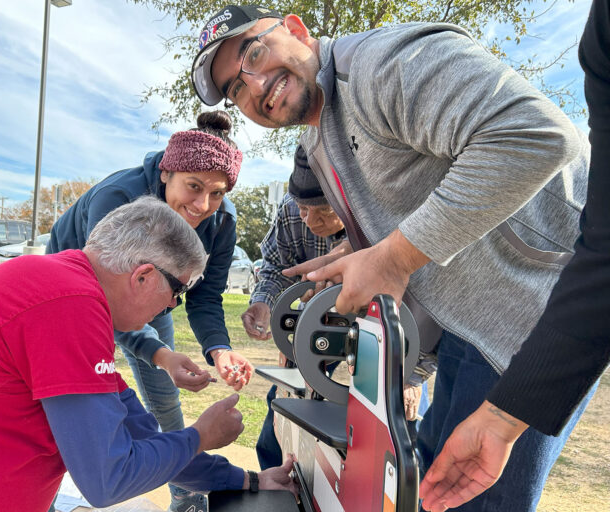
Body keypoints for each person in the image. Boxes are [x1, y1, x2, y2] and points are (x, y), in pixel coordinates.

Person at [191, 5, 592, 511]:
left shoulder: (383, 62)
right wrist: (357, 252)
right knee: (427, 494)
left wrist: (394, 256)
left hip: (536, 313)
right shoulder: (320, 135)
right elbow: (408, 214)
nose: (254, 84)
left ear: (295, 28)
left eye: (252, 51)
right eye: (234, 88)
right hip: (468, 331)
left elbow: (537, 135)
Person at [0, 197, 296, 512]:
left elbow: (138, 437)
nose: (173, 307)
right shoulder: (69, 304)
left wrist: (247, 481)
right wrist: (199, 434)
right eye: (178, 291)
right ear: (142, 277)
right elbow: (108, 479)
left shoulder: (67, 289)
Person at [419, 0, 610, 509]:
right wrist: (504, 419)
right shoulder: (602, 39)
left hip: (530, 305)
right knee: (439, 462)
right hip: (478, 316)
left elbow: (546, 137)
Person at [47, 110, 253, 512]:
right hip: (80, 289)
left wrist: (218, 349)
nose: (202, 205)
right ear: (165, 172)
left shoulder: (221, 220)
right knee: (73, 398)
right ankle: (46, 497)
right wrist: (159, 353)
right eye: (193, 187)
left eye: (217, 193)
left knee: (158, 396)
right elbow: (108, 293)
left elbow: (206, 298)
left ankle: (185, 491)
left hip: (151, 281)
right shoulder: (120, 197)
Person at [241, 145, 346, 469]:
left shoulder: (372, 216)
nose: (310, 220)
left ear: (346, 200)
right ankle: (274, 487)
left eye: (323, 212)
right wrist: (263, 302)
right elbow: (274, 267)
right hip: (312, 333)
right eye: (303, 209)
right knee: (281, 411)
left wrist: (410, 380)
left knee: (390, 424)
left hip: (376, 340)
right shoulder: (289, 212)